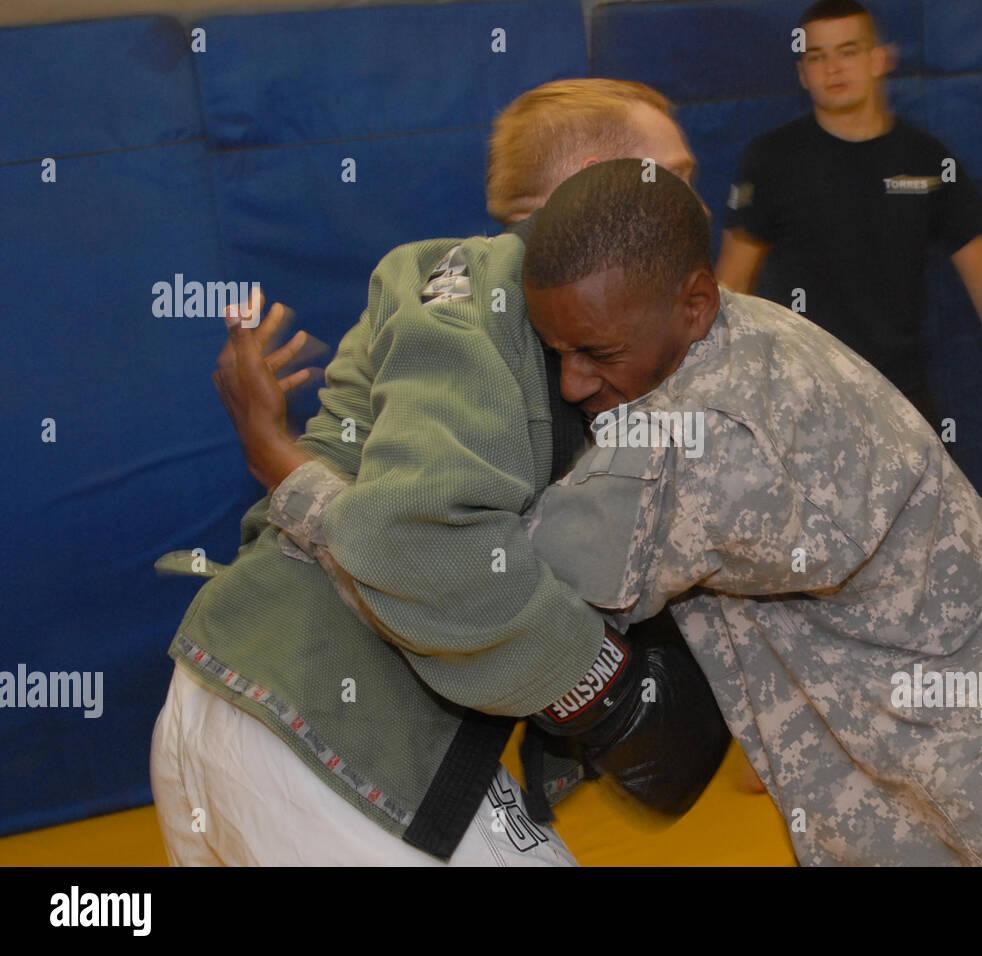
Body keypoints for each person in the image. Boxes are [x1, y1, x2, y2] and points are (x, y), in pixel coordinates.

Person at [517, 158, 982, 866]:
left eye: (596, 352)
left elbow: (495, 574)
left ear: (696, 302)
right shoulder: (740, 333)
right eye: (555, 351)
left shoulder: (703, 452)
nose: (574, 380)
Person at [150, 79, 730, 867]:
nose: (697, 205)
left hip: (238, 700)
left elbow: (348, 499)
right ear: (604, 179)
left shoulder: (446, 290)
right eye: (680, 176)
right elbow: (411, 541)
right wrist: (600, 682)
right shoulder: (499, 288)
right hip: (330, 735)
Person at [716, 0, 982, 475]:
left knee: (931, 544)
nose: (833, 67)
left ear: (881, 59)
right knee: (811, 549)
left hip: (901, 397)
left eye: (848, 51)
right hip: (800, 404)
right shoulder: (771, 160)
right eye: (817, 56)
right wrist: (718, 402)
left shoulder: (925, 158)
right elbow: (727, 291)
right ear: (803, 73)